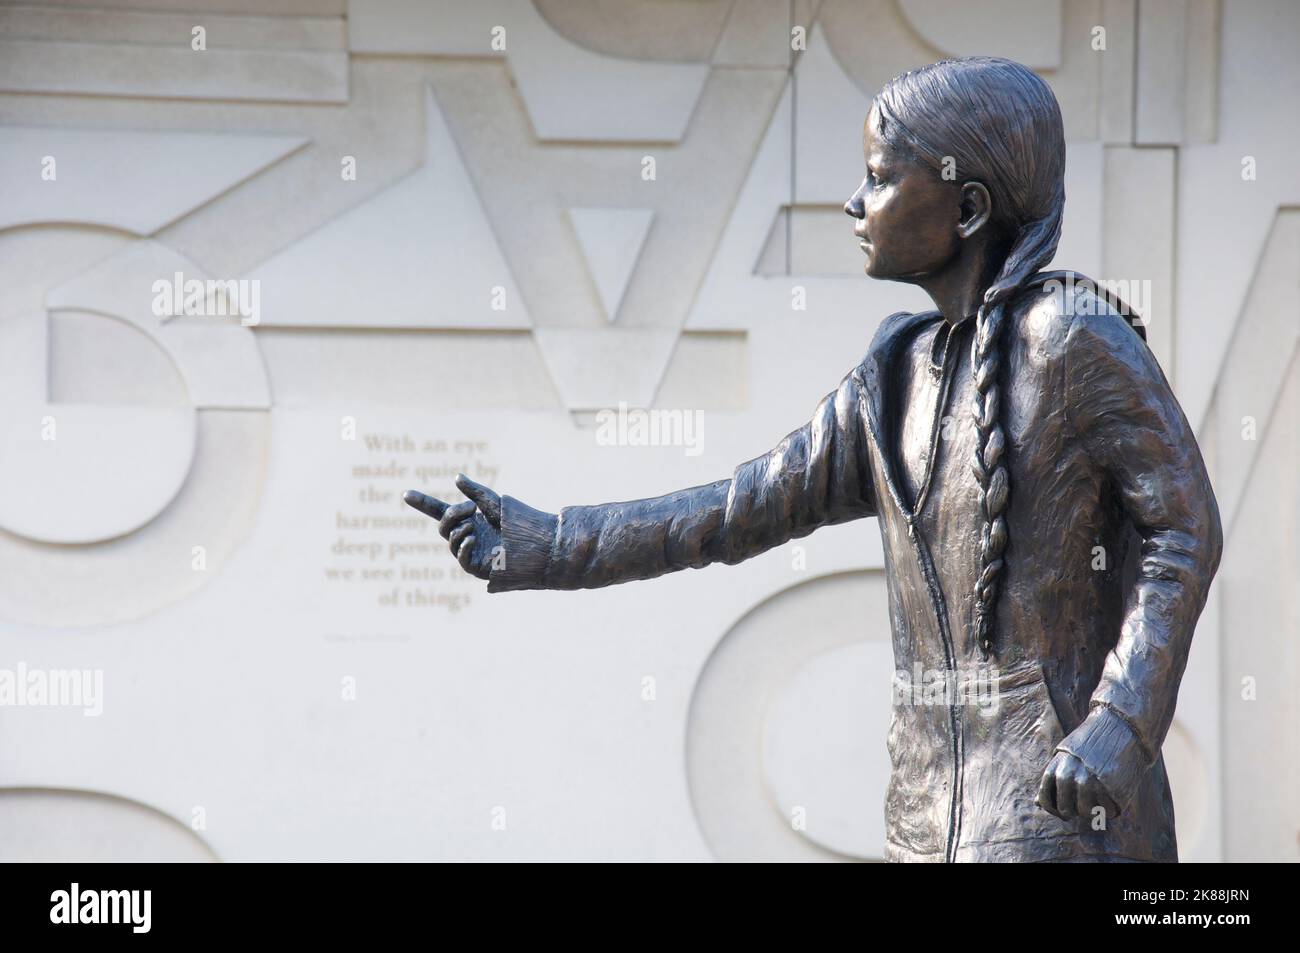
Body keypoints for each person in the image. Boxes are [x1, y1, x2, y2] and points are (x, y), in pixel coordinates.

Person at [405, 57, 1222, 863]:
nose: (854, 202)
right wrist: (549, 542)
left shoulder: (1073, 336)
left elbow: (1183, 526)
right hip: (925, 815)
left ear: (967, 207)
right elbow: (735, 510)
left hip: (1061, 815)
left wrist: (1121, 720)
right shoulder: (894, 372)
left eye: (879, 177)